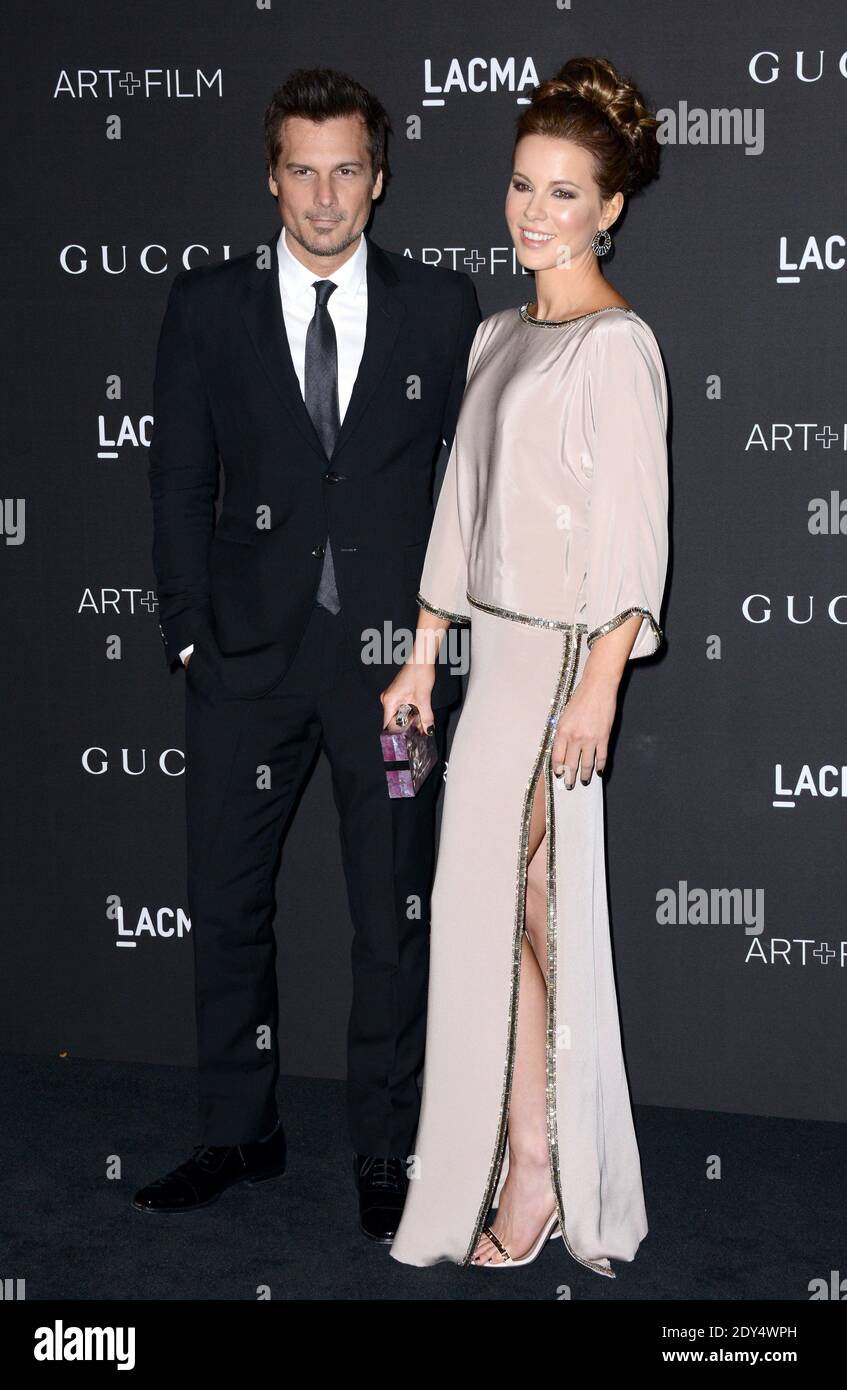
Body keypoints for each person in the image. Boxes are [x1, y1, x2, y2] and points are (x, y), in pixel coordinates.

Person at [136, 67, 480, 1240]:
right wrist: (189, 637)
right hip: (242, 667)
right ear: (270, 175)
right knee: (227, 905)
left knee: (391, 912)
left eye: (345, 170)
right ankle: (241, 1128)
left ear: (378, 180)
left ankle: (385, 1146)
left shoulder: (444, 306)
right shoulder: (207, 305)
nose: (323, 196)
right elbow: (178, 477)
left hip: (395, 682)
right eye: (301, 168)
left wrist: (437, 651)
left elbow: (461, 492)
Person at [382, 56, 669, 1273]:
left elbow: (633, 532)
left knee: (505, 910)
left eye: (563, 192)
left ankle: (537, 1170)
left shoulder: (615, 345)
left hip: (555, 665)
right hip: (488, 656)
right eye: (520, 186)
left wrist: (600, 682)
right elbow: (462, 503)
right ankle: (535, 1157)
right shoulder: (499, 333)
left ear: (609, 206)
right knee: (515, 914)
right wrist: (420, 652)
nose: (533, 211)